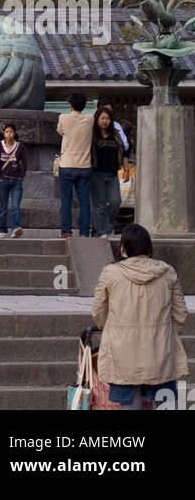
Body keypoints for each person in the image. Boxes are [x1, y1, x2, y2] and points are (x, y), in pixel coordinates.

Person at [92, 222, 188, 410]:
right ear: (149, 247)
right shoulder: (166, 272)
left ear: (123, 248)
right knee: (166, 401)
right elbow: (180, 314)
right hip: (160, 351)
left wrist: (110, 329)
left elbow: (98, 311)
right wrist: (166, 332)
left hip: (122, 352)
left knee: (129, 404)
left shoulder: (110, 273)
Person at [56, 91, 93, 238]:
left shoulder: (63, 118)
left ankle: (66, 231)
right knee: (84, 202)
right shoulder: (90, 119)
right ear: (84, 105)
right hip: (84, 166)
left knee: (66, 201)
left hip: (67, 165)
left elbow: (60, 131)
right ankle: (84, 232)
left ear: (70, 104)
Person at [91, 107, 129, 238]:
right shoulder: (92, 135)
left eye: (107, 119)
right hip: (96, 173)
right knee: (100, 205)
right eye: (102, 118)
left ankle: (103, 228)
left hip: (112, 174)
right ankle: (103, 232)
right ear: (97, 119)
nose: (105, 121)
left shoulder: (116, 135)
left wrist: (126, 169)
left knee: (115, 202)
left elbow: (124, 152)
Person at [0, 122, 27, 237]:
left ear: (14, 133)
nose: (9, 134)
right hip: (4, 180)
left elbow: (24, 162)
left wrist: (22, 176)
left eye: (11, 132)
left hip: (16, 180)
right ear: (3, 133)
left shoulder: (20, 146)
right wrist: (0, 176)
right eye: (7, 132)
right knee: (3, 207)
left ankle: (16, 228)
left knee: (15, 206)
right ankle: (2, 230)